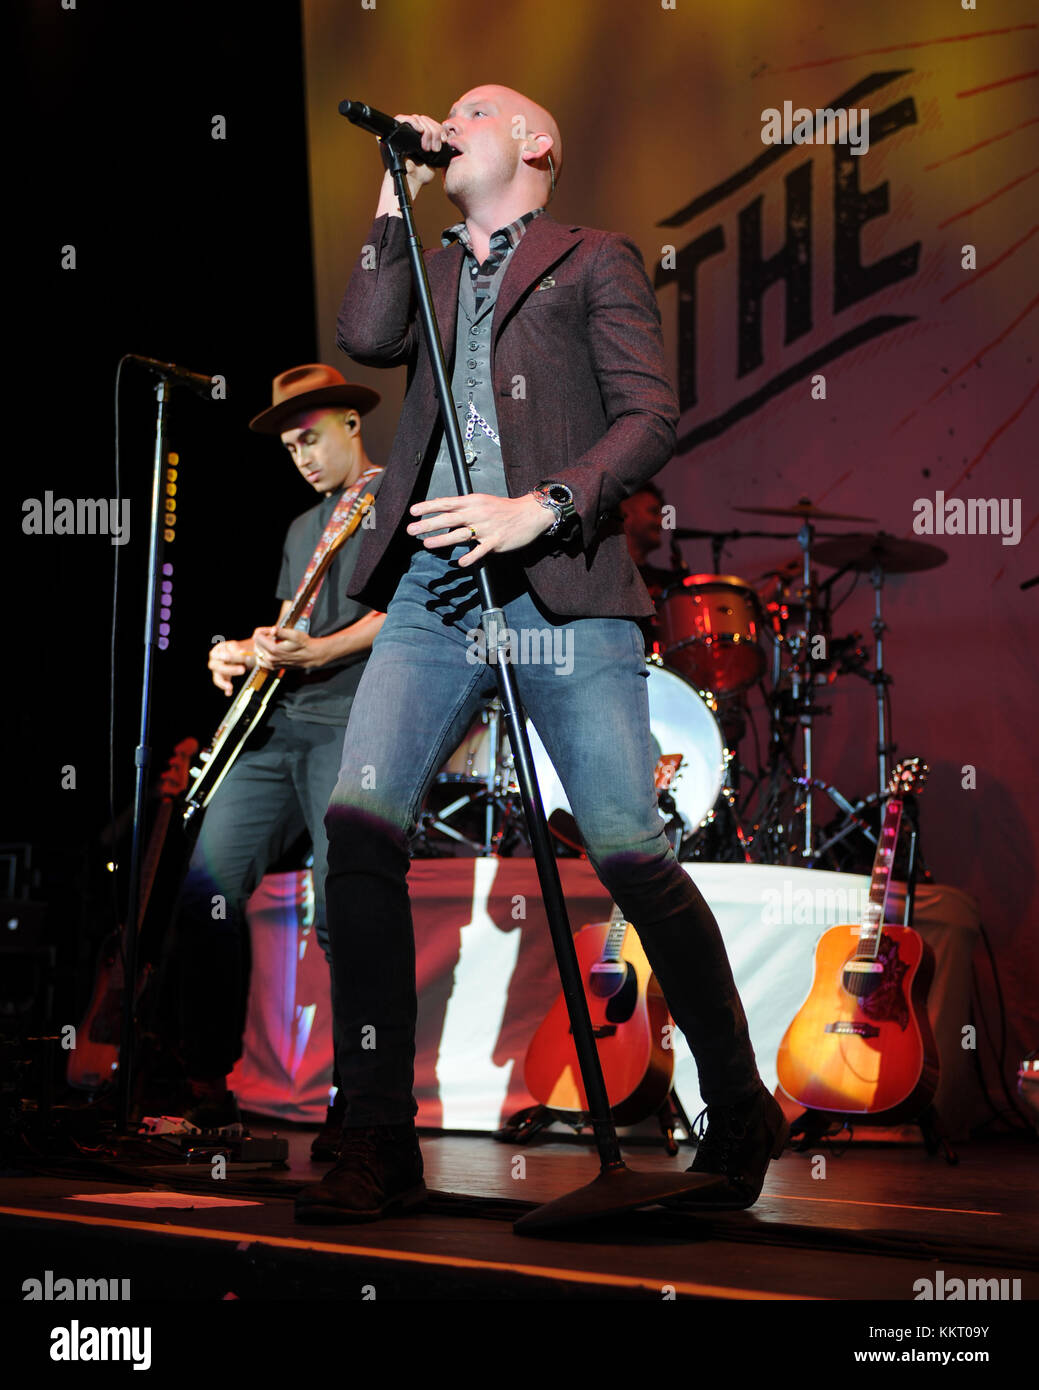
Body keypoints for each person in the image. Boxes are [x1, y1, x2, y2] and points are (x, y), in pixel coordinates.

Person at [295, 86, 787, 1223]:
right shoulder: (430, 259)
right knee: (357, 831)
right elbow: (365, 336)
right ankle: (372, 1127)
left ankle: (736, 1099)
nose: (448, 117)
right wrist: (392, 179)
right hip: (430, 586)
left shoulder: (591, 257)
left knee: (626, 849)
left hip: (557, 585)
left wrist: (545, 505)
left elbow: (649, 415)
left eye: (473, 109)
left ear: (534, 142)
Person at [166, 365, 385, 1158]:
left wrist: (322, 648)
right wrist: (240, 648)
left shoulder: (394, 502)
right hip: (277, 721)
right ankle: (207, 1090)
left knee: (343, 915)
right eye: (291, 447)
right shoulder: (302, 528)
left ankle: (360, 1101)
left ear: (352, 426)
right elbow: (291, 622)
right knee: (206, 888)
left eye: (312, 439)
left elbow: (409, 613)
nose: (302, 457)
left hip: (351, 723)